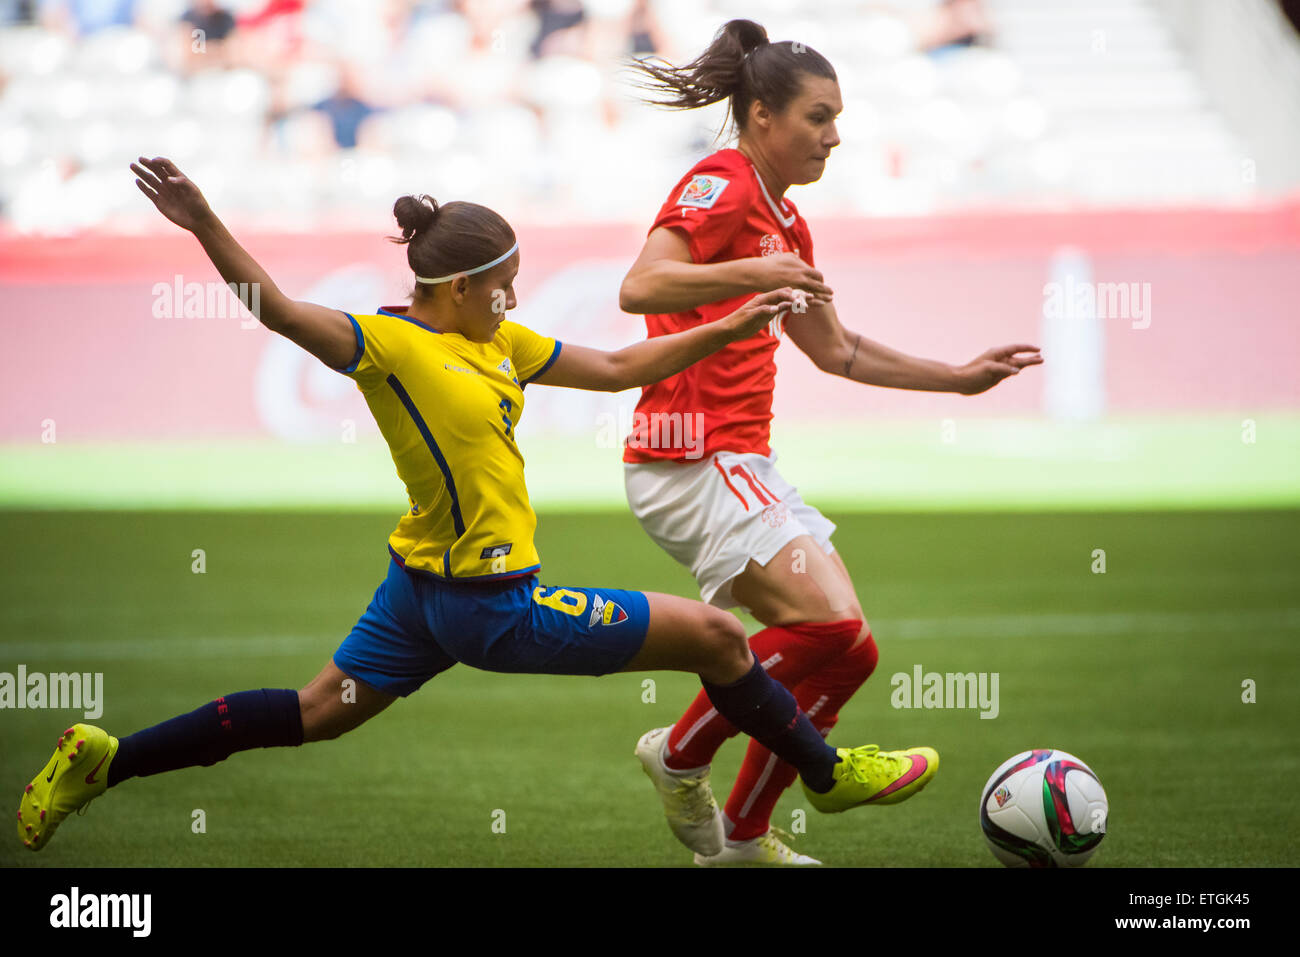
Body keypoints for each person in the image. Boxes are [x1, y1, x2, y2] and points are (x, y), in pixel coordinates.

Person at [16, 154, 930, 858]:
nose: (516, 298)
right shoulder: (389, 343)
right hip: (490, 606)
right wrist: (203, 220)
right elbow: (281, 311)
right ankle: (825, 772)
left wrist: (726, 325)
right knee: (719, 638)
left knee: (313, 712)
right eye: (506, 285)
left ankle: (107, 758)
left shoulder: (498, 339)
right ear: (458, 288)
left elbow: (614, 369)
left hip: (416, 587)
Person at [621, 19, 1042, 865]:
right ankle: (680, 753)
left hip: (740, 460)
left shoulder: (789, 222)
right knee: (832, 629)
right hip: (694, 455)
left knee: (852, 649)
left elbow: (835, 349)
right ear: (763, 115)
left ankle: (741, 841)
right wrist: (752, 272)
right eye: (818, 116)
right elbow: (641, 285)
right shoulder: (722, 182)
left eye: (838, 116)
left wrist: (956, 377)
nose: (835, 135)